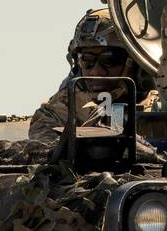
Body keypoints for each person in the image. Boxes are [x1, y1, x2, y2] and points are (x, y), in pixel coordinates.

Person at [28, 8, 157, 146]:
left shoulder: (162, 106)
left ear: (135, 62)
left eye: (109, 60)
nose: (96, 72)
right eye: (87, 60)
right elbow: (44, 143)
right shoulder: (67, 106)